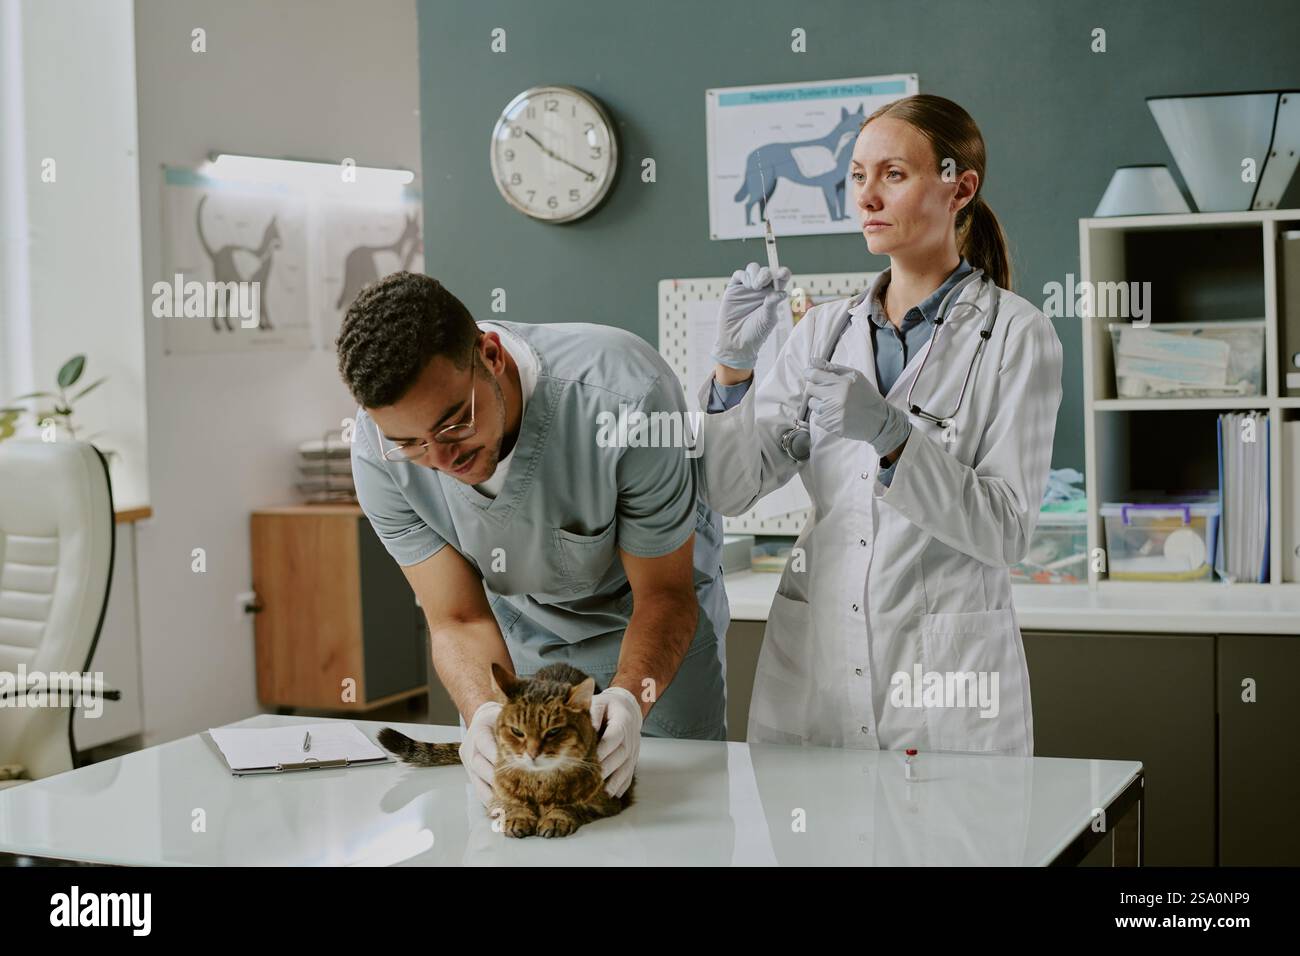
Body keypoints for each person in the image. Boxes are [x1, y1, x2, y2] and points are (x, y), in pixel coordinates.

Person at [699, 94, 1063, 755]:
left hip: (946, 690)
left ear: (960, 188)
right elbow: (731, 490)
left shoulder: (1017, 334)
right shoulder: (823, 332)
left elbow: (1007, 531)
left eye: (893, 174)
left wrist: (895, 438)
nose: (866, 197)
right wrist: (731, 370)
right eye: (857, 176)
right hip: (817, 677)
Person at [336, 273, 729, 804]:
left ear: (491, 356)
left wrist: (631, 700)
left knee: (672, 827)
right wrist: (486, 713)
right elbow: (457, 618)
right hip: (515, 655)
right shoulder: (377, 457)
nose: (441, 460)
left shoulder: (628, 396)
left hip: (648, 637)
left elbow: (664, 594)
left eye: (455, 425)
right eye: (411, 444)